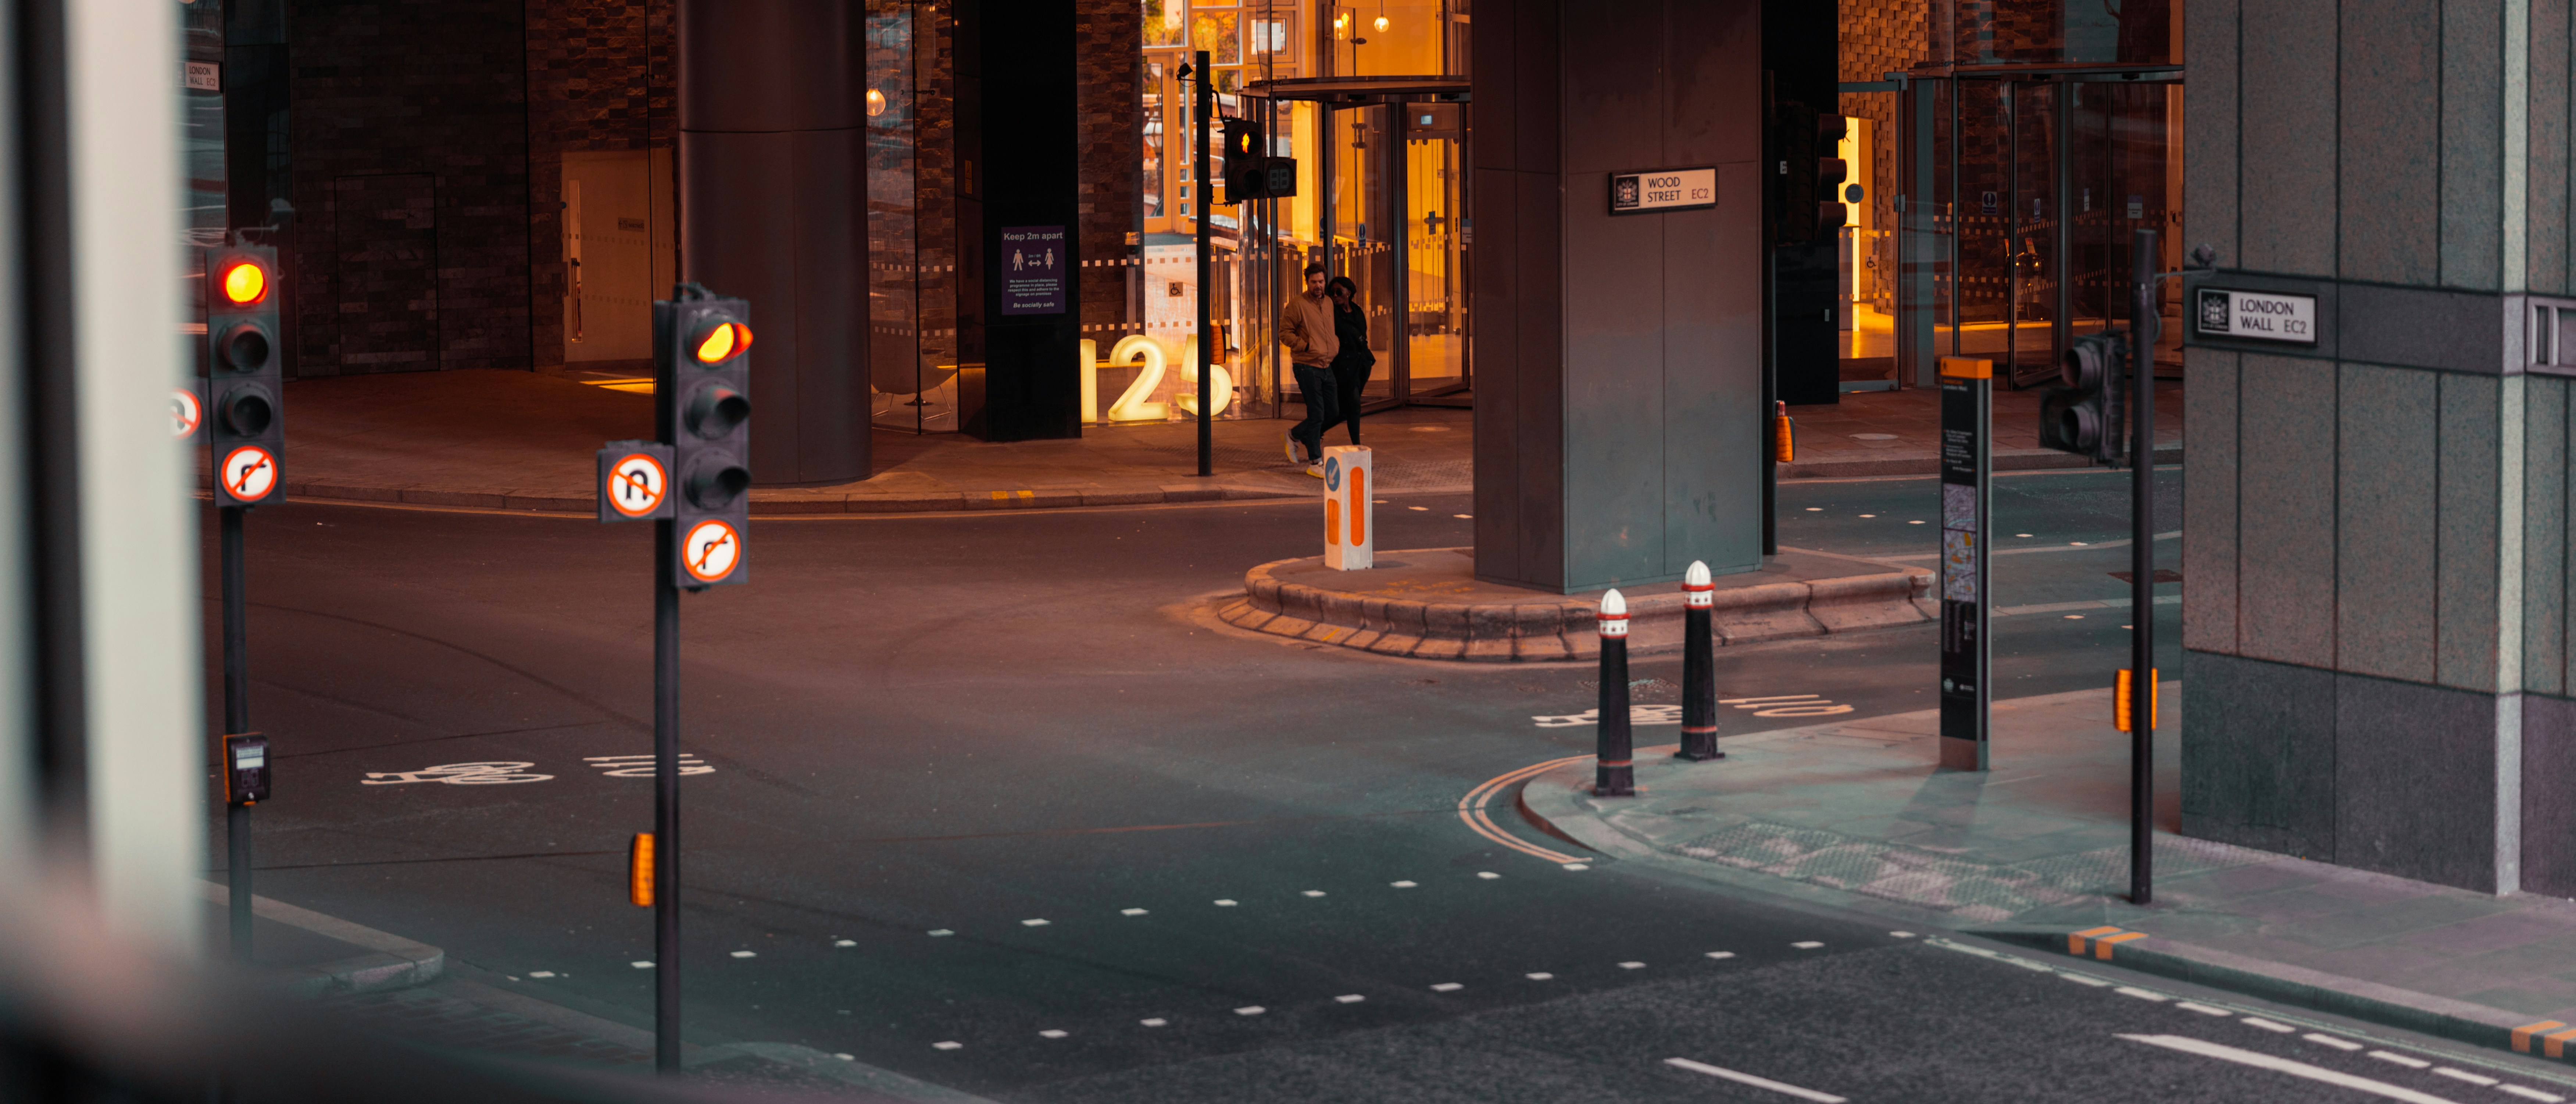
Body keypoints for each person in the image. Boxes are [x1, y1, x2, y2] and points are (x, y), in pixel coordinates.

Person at [1276, 262, 1339, 476]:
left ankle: (1295, 435)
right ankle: (1315, 463)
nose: (1318, 286)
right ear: (1307, 283)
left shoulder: (1329, 303)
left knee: (1334, 412)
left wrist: (1334, 346)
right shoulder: (1297, 304)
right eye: (1314, 282)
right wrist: (1307, 346)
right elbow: (1284, 333)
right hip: (1307, 366)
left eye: (1321, 281)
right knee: (1317, 414)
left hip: (1326, 365)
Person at [1322, 276, 1375, 446]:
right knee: (1354, 406)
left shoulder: (1357, 311)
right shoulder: (1333, 315)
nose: (1335, 296)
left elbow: (1363, 335)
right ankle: (1357, 445)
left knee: (1345, 411)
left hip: (1360, 365)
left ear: (1349, 293)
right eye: (1332, 293)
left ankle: (1311, 433)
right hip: (1343, 367)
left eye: (1339, 292)